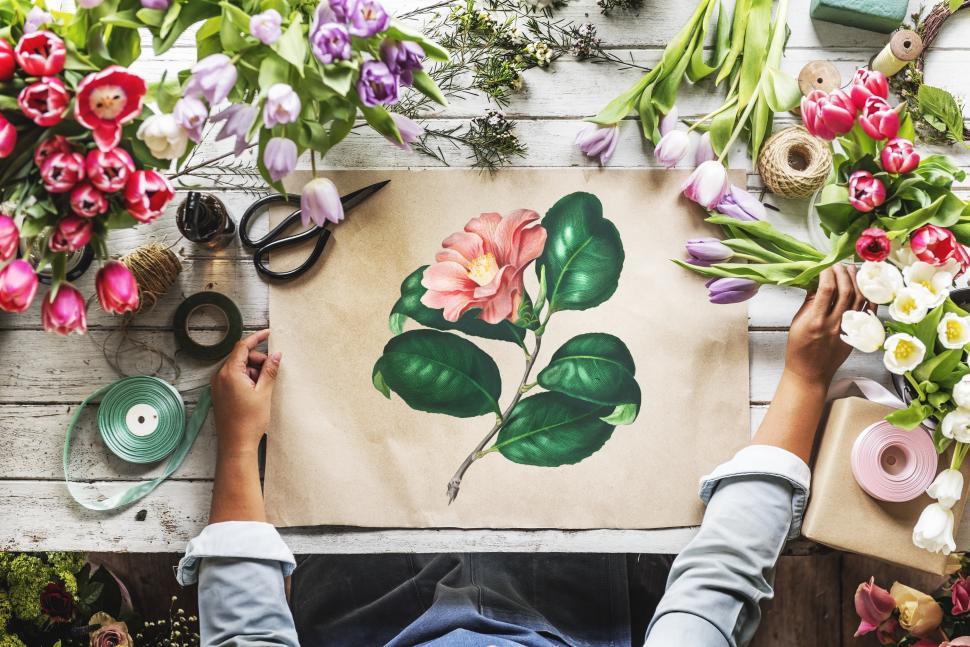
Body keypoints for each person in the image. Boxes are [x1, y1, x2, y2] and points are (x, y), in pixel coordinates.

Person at [177, 265, 867, 647]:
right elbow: (718, 581)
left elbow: (243, 633)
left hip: (366, 602)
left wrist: (239, 444)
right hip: (581, 595)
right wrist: (804, 380)